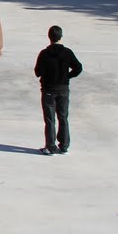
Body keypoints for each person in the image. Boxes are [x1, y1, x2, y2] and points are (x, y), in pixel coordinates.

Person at [33, 25, 84, 155]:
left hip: (48, 89)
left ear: (49, 37)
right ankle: (64, 145)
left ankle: (50, 146)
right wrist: (67, 76)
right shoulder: (67, 52)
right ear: (61, 36)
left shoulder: (44, 53)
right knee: (63, 117)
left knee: (50, 119)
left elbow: (37, 72)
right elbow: (78, 68)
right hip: (63, 89)